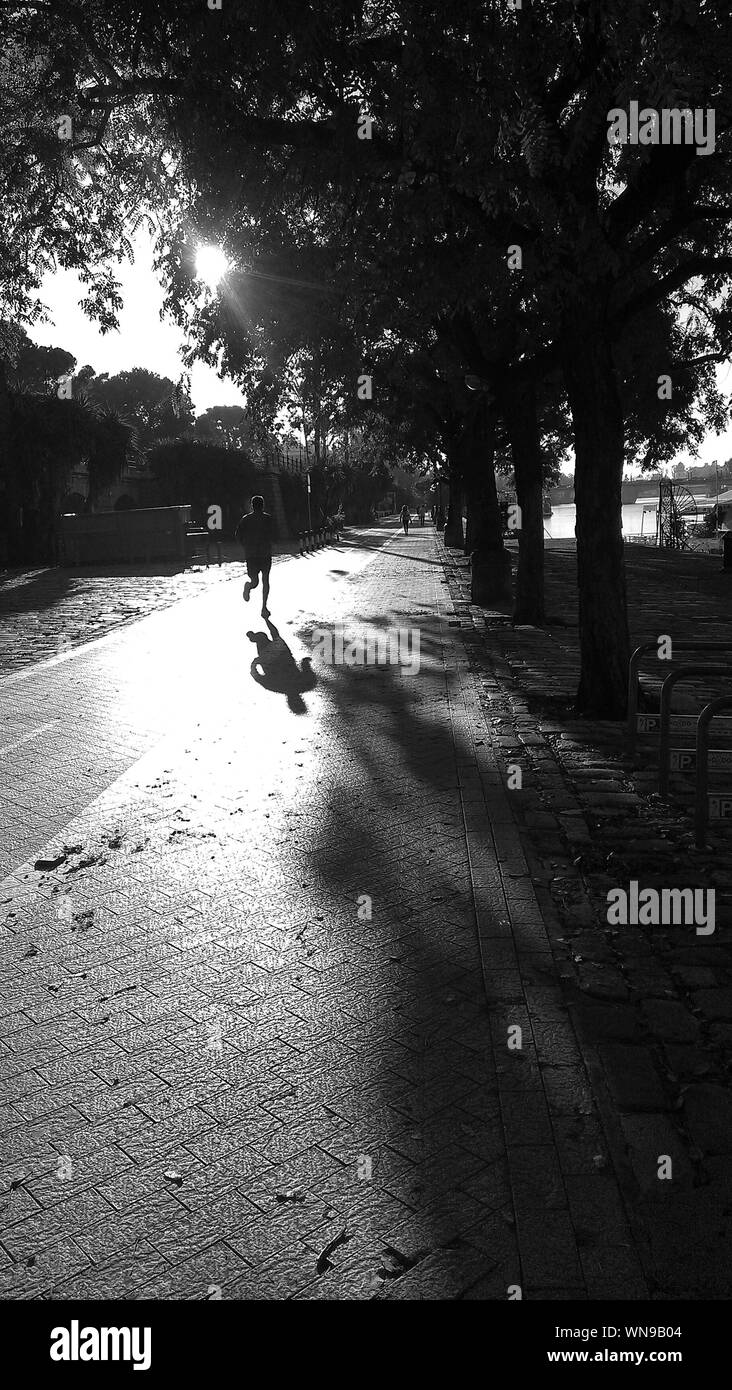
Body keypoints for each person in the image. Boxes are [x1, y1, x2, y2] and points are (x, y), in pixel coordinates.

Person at [235, 495, 274, 615]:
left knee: (255, 581)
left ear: (252, 506)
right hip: (265, 553)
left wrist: (246, 546)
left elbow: (238, 535)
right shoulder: (268, 519)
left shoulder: (245, 519)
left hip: (251, 555)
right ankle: (264, 607)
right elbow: (274, 535)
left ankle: (249, 586)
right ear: (263, 505)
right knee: (265, 580)